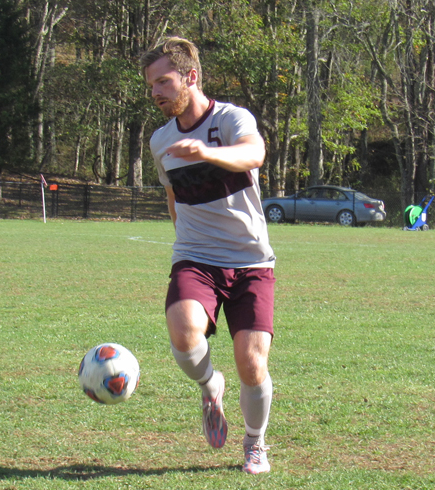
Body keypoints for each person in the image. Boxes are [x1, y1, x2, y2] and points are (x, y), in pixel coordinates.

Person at [140, 37, 276, 474]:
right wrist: (185, 240)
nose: (157, 92)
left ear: (191, 77)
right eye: (151, 86)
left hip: (252, 260)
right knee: (183, 331)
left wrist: (207, 152)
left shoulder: (232, 119)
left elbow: (254, 153)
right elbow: (172, 195)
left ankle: (254, 443)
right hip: (196, 256)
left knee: (252, 364)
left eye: (164, 81)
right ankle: (208, 383)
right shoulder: (160, 141)